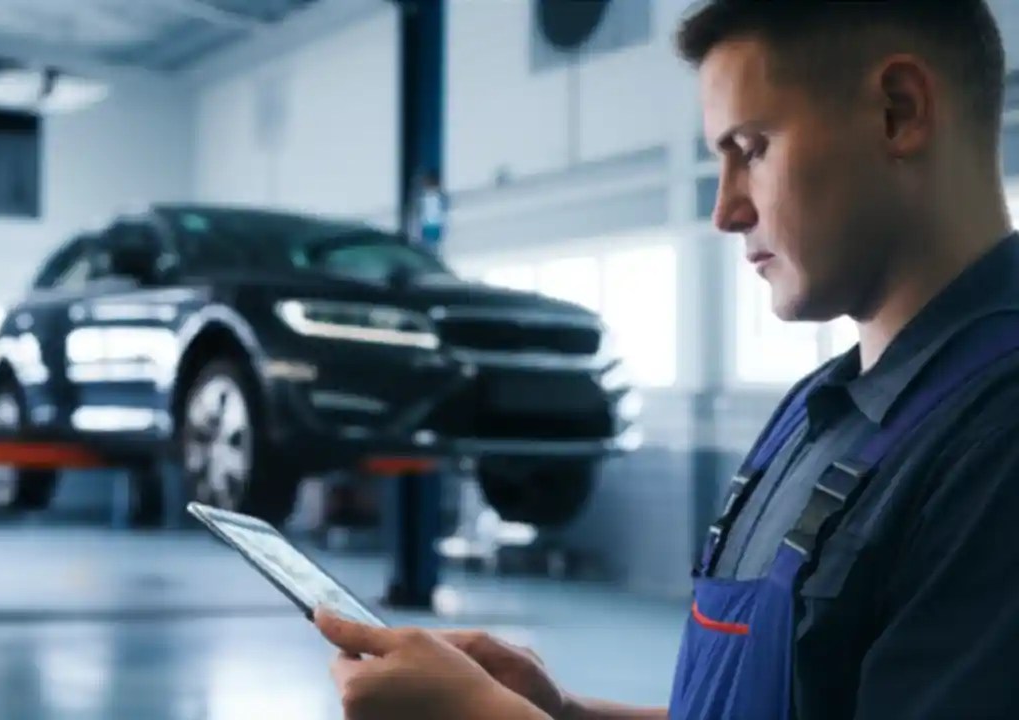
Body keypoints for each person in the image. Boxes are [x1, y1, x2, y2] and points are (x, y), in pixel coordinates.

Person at [314, 1, 1019, 718]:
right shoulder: (822, 410)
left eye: (752, 149)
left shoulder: (998, 439)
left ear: (898, 112)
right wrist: (562, 712)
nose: (726, 211)